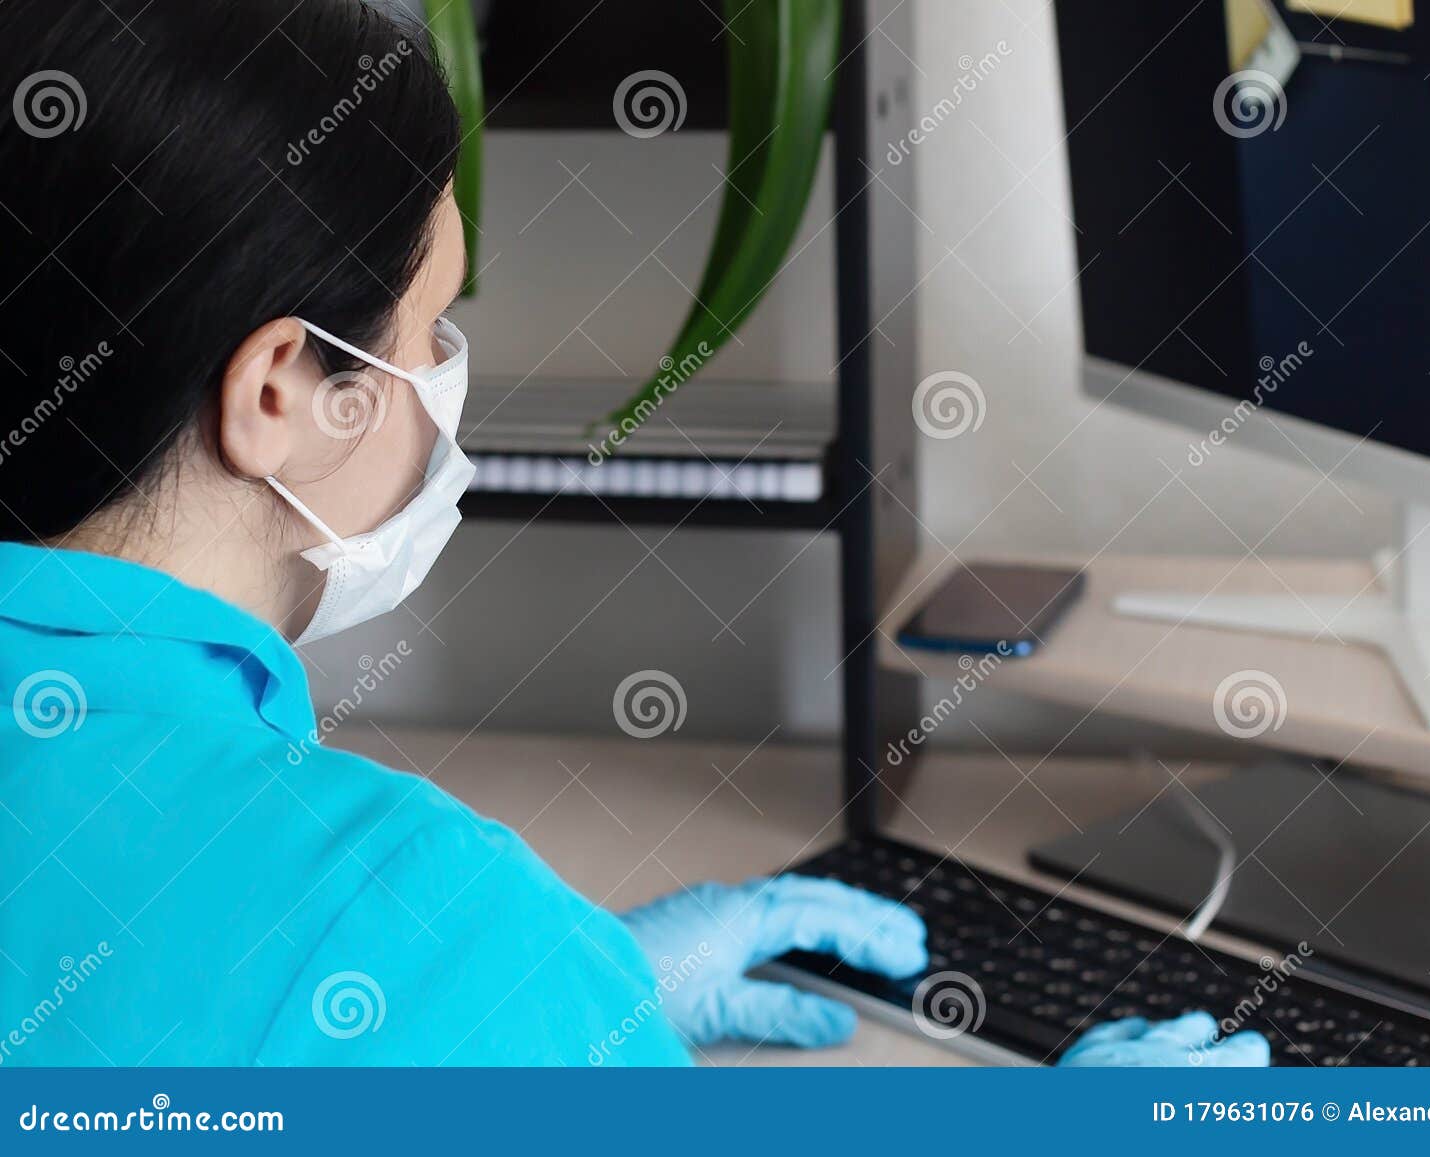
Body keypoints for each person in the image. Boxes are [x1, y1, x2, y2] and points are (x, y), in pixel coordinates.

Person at [0, 0, 1266, 1068]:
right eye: (429, 326)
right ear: (280, 391)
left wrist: (578, 1001)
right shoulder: (415, 905)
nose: (445, 378)